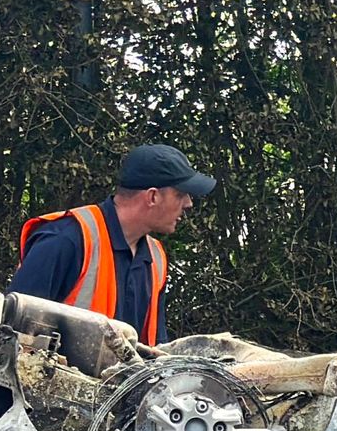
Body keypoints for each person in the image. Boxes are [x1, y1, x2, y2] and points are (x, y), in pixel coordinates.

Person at [11, 143, 216, 346]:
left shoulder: (156, 259)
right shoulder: (68, 239)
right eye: (180, 194)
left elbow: (154, 347)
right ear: (152, 196)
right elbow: (11, 331)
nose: (188, 203)